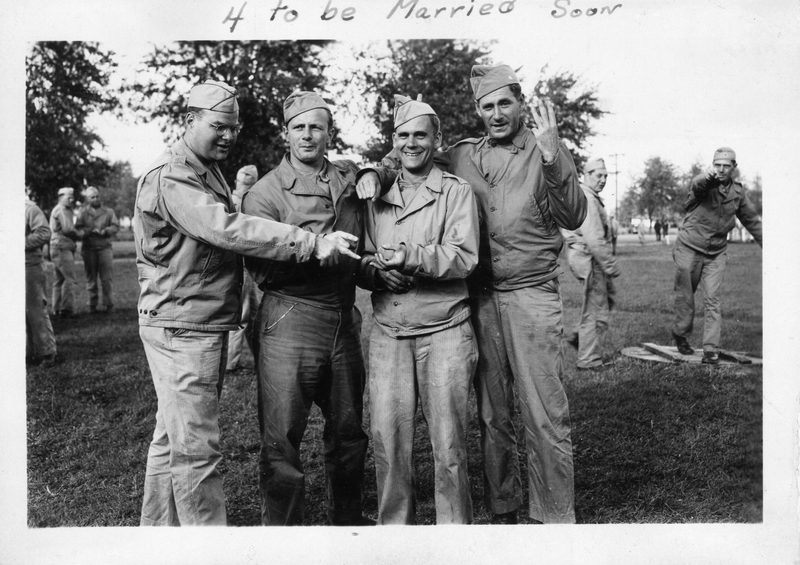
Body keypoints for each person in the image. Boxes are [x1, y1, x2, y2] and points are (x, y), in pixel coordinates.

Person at [133, 80, 360, 527]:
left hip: (197, 320)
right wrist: (310, 242)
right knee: (197, 451)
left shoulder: (204, 168)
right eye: (218, 126)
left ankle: (155, 540)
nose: (228, 137)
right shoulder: (174, 175)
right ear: (189, 121)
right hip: (182, 326)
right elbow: (227, 228)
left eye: (233, 129)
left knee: (171, 442)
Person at [368, 64, 587, 524]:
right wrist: (379, 169)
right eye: (487, 106)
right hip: (480, 297)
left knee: (543, 409)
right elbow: (411, 153)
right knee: (492, 412)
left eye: (504, 103)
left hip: (531, 295)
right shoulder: (463, 155)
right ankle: (503, 506)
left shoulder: (546, 151)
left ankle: (553, 514)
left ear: (521, 104)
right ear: (478, 111)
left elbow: (572, 215)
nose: (496, 113)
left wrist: (552, 155)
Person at [242, 91, 385, 527]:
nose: (308, 135)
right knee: (282, 439)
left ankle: (347, 526)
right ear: (285, 134)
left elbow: (394, 161)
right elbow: (259, 265)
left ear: (329, 132)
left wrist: (374, 172)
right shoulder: (264, 193)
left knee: (348, 434)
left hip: (343, 319)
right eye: (299, 127)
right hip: (291, 318)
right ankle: (285, 539)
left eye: (316, 126)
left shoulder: (346, 175)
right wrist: (314, 252)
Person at [361, 95, 479, 524]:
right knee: (388, 444)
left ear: (437, 140)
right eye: (403, 136)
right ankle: (396, 539)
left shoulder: (454, 191)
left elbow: (464, 256)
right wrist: (377, 273)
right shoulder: (375, 193)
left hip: (444, 328)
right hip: (389, 332)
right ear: (393, 141)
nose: (412, 143)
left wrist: (410, 257)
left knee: (449, 445)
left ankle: (454, 539)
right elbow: (365, 255)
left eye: (420, 136)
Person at [671, 147, 762, 364]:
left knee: (713, 297)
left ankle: (710, 348)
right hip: (689, 247)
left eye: (726, 166)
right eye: (717, 165)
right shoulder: (705, 184)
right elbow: (697, 184)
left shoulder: (738, 193)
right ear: (713, 165)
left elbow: (751, 220)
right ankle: (680, 333)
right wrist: (707, 177)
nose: (721, 170)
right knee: (686, 295)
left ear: (734, 167)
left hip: (716, 252)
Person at [562, 158, 621, 370]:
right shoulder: (587, 197)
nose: (604, 180)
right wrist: (610, 265)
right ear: (586, 175)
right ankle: (589, 360)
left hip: (586, 258)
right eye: (599, 175)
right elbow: (594, 238)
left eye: (606, 176)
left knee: (605, 300)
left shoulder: (587, 195)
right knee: (597, 311)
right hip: (589, 259)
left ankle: (581, 339)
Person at [225, 164, 262, 371]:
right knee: (242, 314)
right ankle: (230, 363)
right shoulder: (249, 203)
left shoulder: (229, 200)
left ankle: (261, 361)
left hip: (239, 262)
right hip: (242, 263)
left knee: (253, 314)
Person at [75, 186, 119, 313]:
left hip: (105, 247)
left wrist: (106, 231)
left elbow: (116, 226)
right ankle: (92, 305)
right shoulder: (82, 212)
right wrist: (88, 231)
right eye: (92, 197)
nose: (95, 199)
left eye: (97, 196)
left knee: (107, 278)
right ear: (87, 199)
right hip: (89, 249)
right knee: (91, 279)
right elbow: (78, 229)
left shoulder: (109, 211)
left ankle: (109, 304)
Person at [26, 193, 57, 367]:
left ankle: (48, 352)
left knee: (35, 308)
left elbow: (44, 233)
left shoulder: (29, 208)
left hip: (29, 264)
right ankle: (27, 352)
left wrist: (16, 242)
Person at [49, 187, 83, 317]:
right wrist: (82, 233)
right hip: (62, 247)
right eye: (69, 197)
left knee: (59, 279)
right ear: (60, 197)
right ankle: (66, 309)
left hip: (59, 247)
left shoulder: (63, 209)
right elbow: (68, 229)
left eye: (72, 197)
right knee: (70, 279)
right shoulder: (62, 210)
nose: (72, 199)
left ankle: (56, 309)